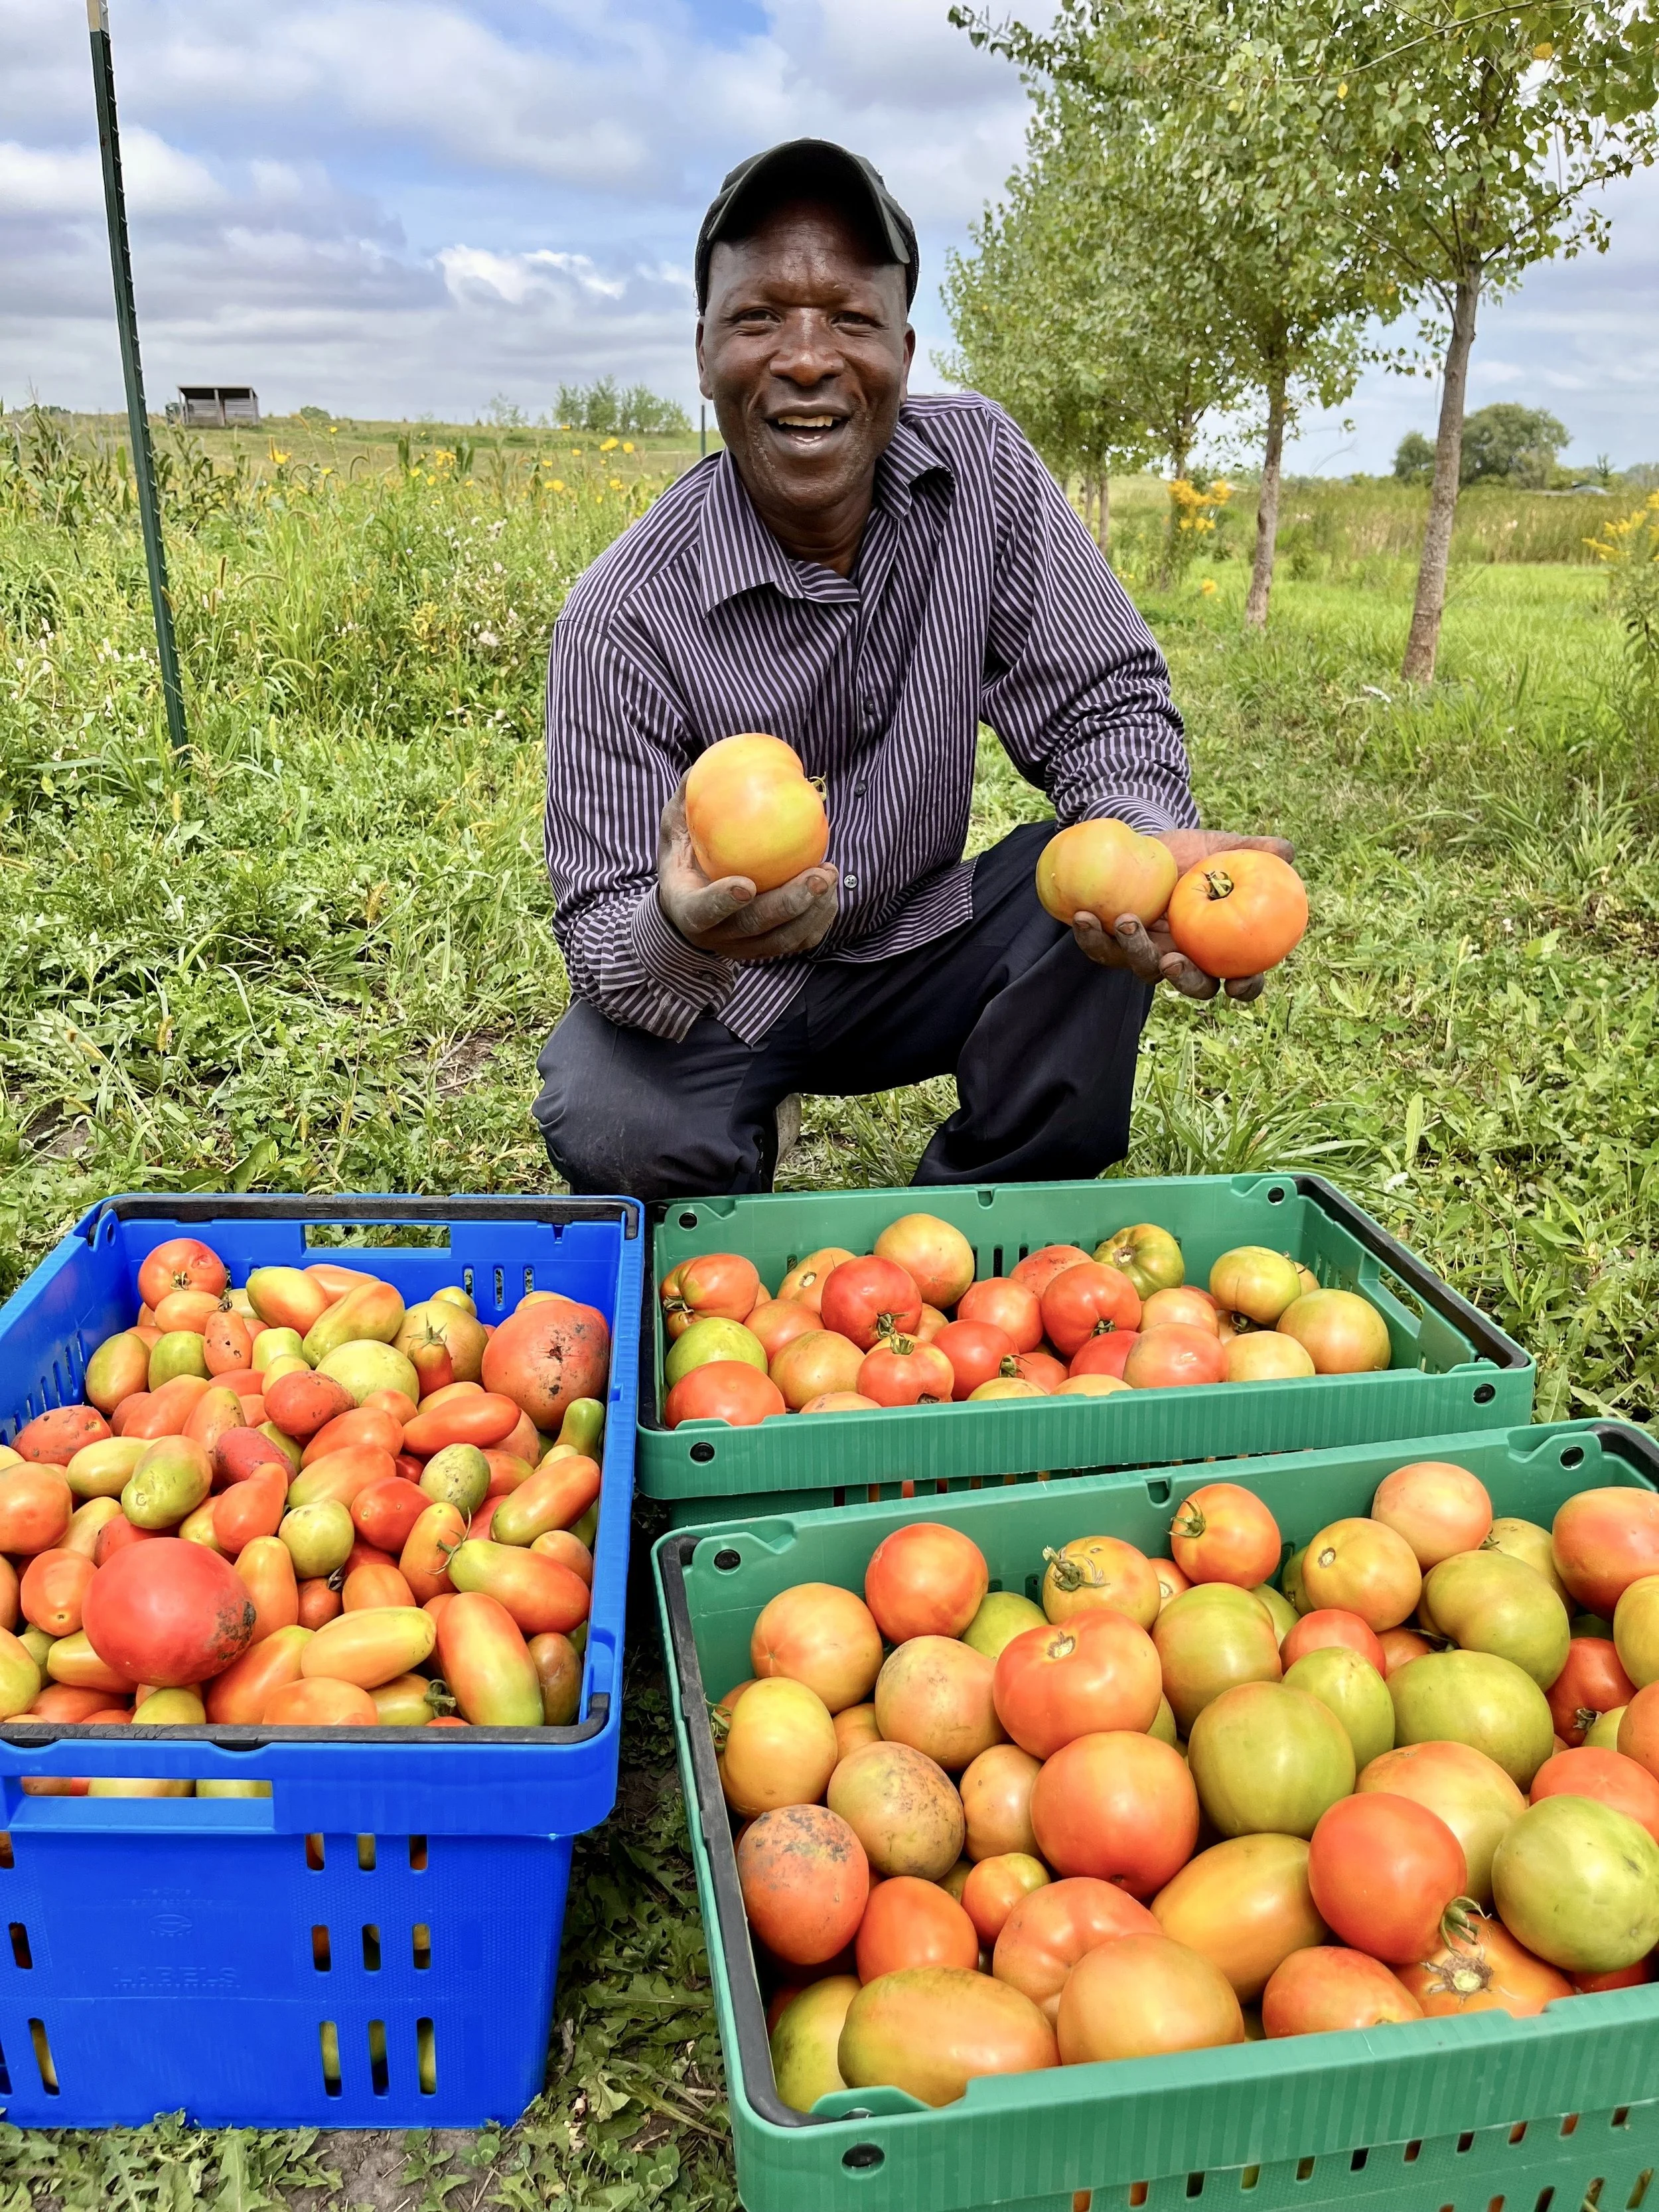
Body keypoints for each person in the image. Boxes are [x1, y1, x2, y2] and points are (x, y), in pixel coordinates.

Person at [534, 138, 1289, 1199]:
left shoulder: (980, 469)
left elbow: (1102, 699)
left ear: (904, 348)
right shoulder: (623, 615)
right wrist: (678, 925)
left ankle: (990, 1229)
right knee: (611, 1115)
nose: (807, 358)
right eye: (759, 318)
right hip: (730, 991)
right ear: (703, 354)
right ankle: (734, 1189)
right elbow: (605, 935)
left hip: (927, 941)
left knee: (1098, 875)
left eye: (851, 319)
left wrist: (1146, 849)